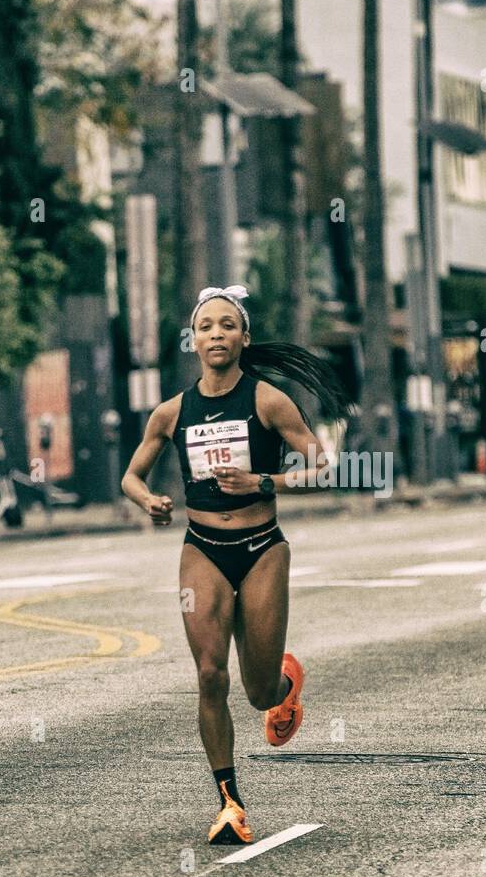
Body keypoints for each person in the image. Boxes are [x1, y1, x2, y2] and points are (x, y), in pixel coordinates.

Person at [121, 285, 353, 845]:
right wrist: (148, 501)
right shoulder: (171, 412)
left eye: (228, 325)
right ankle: (229, 802)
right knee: (208, 674)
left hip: (262, 548)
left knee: (256, 692)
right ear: (193, 340)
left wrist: (264, 481)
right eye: (206, 327)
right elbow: (131, 476)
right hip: (201, 547)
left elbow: (322, 464)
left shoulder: (268, 401)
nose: (216, 334)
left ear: (243, 338)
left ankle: (285, 682)